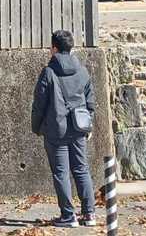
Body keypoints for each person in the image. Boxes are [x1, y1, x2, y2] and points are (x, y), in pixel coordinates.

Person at [31, 29, 97, 227]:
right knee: (81, 169)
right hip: (79, 128)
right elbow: (90, 102)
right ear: (71, 47)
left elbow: (39, 104)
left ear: (53, 48)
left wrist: (37, 127)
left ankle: (68, 216)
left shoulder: (48, 72)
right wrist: (88, 124)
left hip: (55, 130)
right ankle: (89, 214)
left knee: (61, 173)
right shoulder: (82, 71)